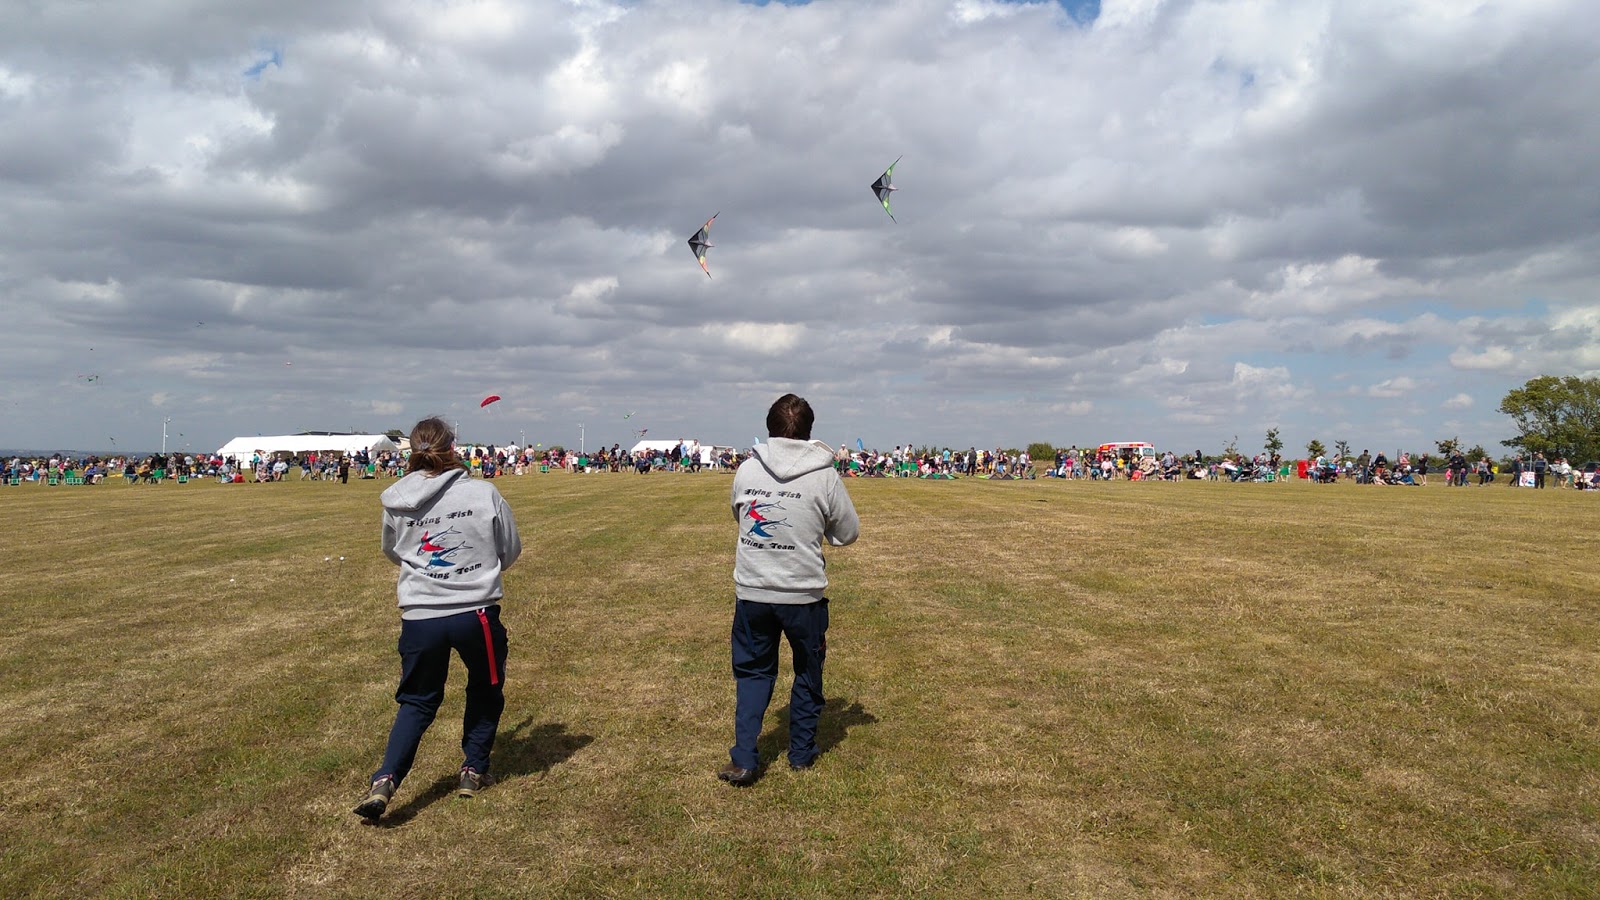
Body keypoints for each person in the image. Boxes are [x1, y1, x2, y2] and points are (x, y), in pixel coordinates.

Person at [353, 417, 523, 821]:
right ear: (452, 448)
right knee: (485, 689)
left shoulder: (397, 497)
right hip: (475, 613)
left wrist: (430, 574)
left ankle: (385, 780)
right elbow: (509, 549)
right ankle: (473, 770)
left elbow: (393, 550)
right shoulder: (483, 493)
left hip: (420, 616)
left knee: (417, 700)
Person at [720, 394, 859, 786]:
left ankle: (744, 758)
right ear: (809, 431)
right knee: (808, 671)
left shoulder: (748, 470)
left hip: (753, 591)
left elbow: (739, 515)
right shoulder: (825, 476)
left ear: (769, 428)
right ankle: (800, 753)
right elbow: (847, 533)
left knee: (753, 674)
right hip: (802, 595)